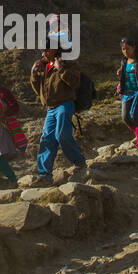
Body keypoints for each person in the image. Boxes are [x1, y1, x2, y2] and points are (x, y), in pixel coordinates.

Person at [29, 47, 85, 183]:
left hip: (65, 104)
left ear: (55, 49)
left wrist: (61, 69)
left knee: (62, 134)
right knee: (46, 138)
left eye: (47, 50)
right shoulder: (44, 66)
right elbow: (40, 91)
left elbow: (75, 83)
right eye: (43, 51)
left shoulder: (69, 62)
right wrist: (34, 74)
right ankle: (44, 175)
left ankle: (79, 162)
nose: (44, 54)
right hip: (51, 108)